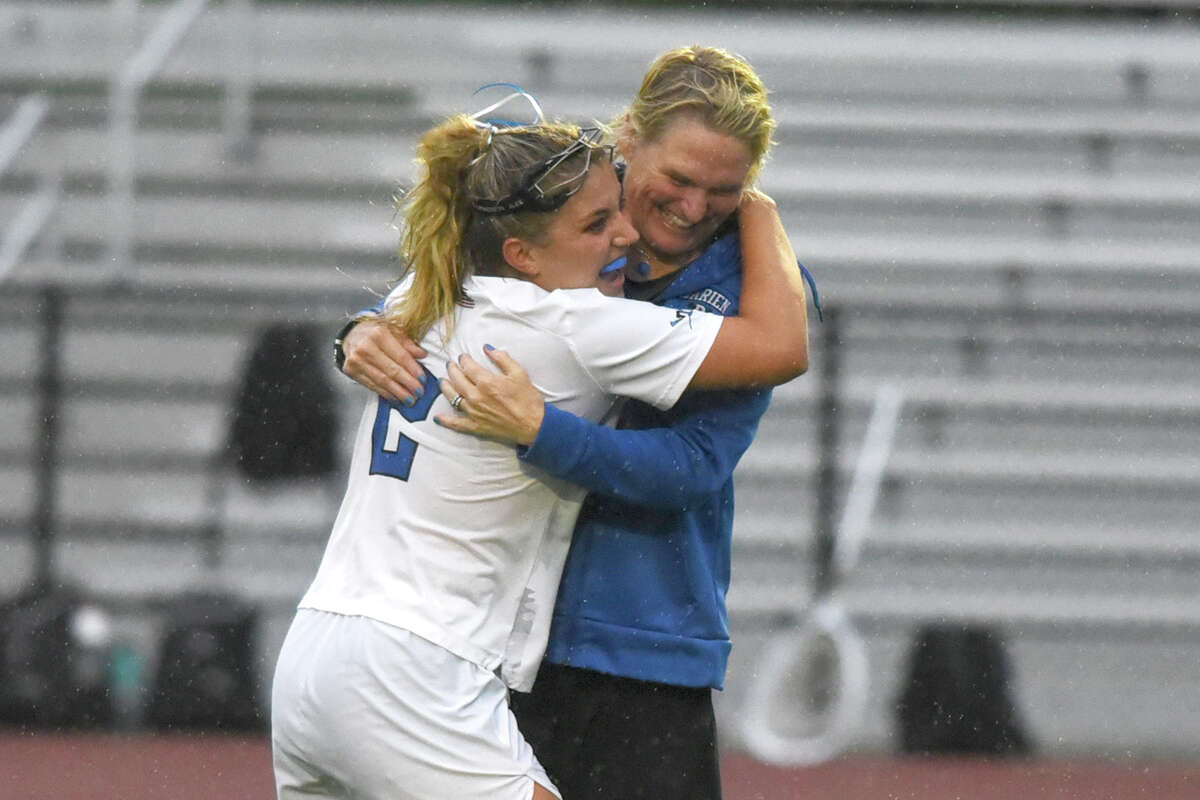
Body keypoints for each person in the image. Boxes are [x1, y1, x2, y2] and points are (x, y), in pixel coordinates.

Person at [271, 109, 809, 799]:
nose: (626, 234)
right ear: (523, 255)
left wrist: (354, 331)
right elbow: (780, 348)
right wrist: (756, 207)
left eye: (616, 210)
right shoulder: (577, 323)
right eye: (597, 224)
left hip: (313, 651)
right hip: (415, 665)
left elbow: (384, 322)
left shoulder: (425, 290)